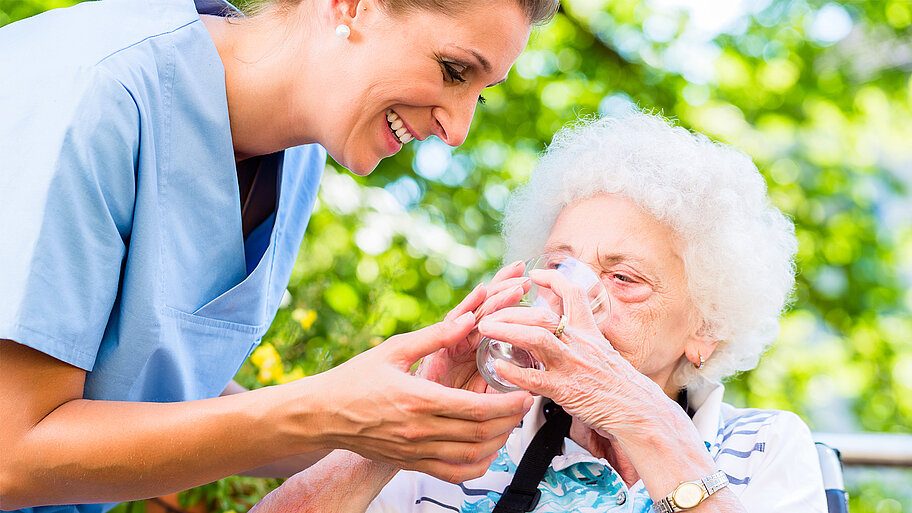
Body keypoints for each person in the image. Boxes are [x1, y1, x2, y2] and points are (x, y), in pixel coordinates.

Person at [0, 0, 559, 510]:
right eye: (454, 70)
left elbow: (142, 376)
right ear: (352, 6)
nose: (458, 130)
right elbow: (10, 452)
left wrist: (395, 420)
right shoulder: (96, 90)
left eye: (480, 94)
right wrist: (326, 410)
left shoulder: (300, 157)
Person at [248, 111, 828, 512]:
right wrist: (407, 428)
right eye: (558, 267)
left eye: (623, 278)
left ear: (705, 328)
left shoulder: (763, 447)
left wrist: (639, 417)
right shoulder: (468, 447)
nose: (574, 298)